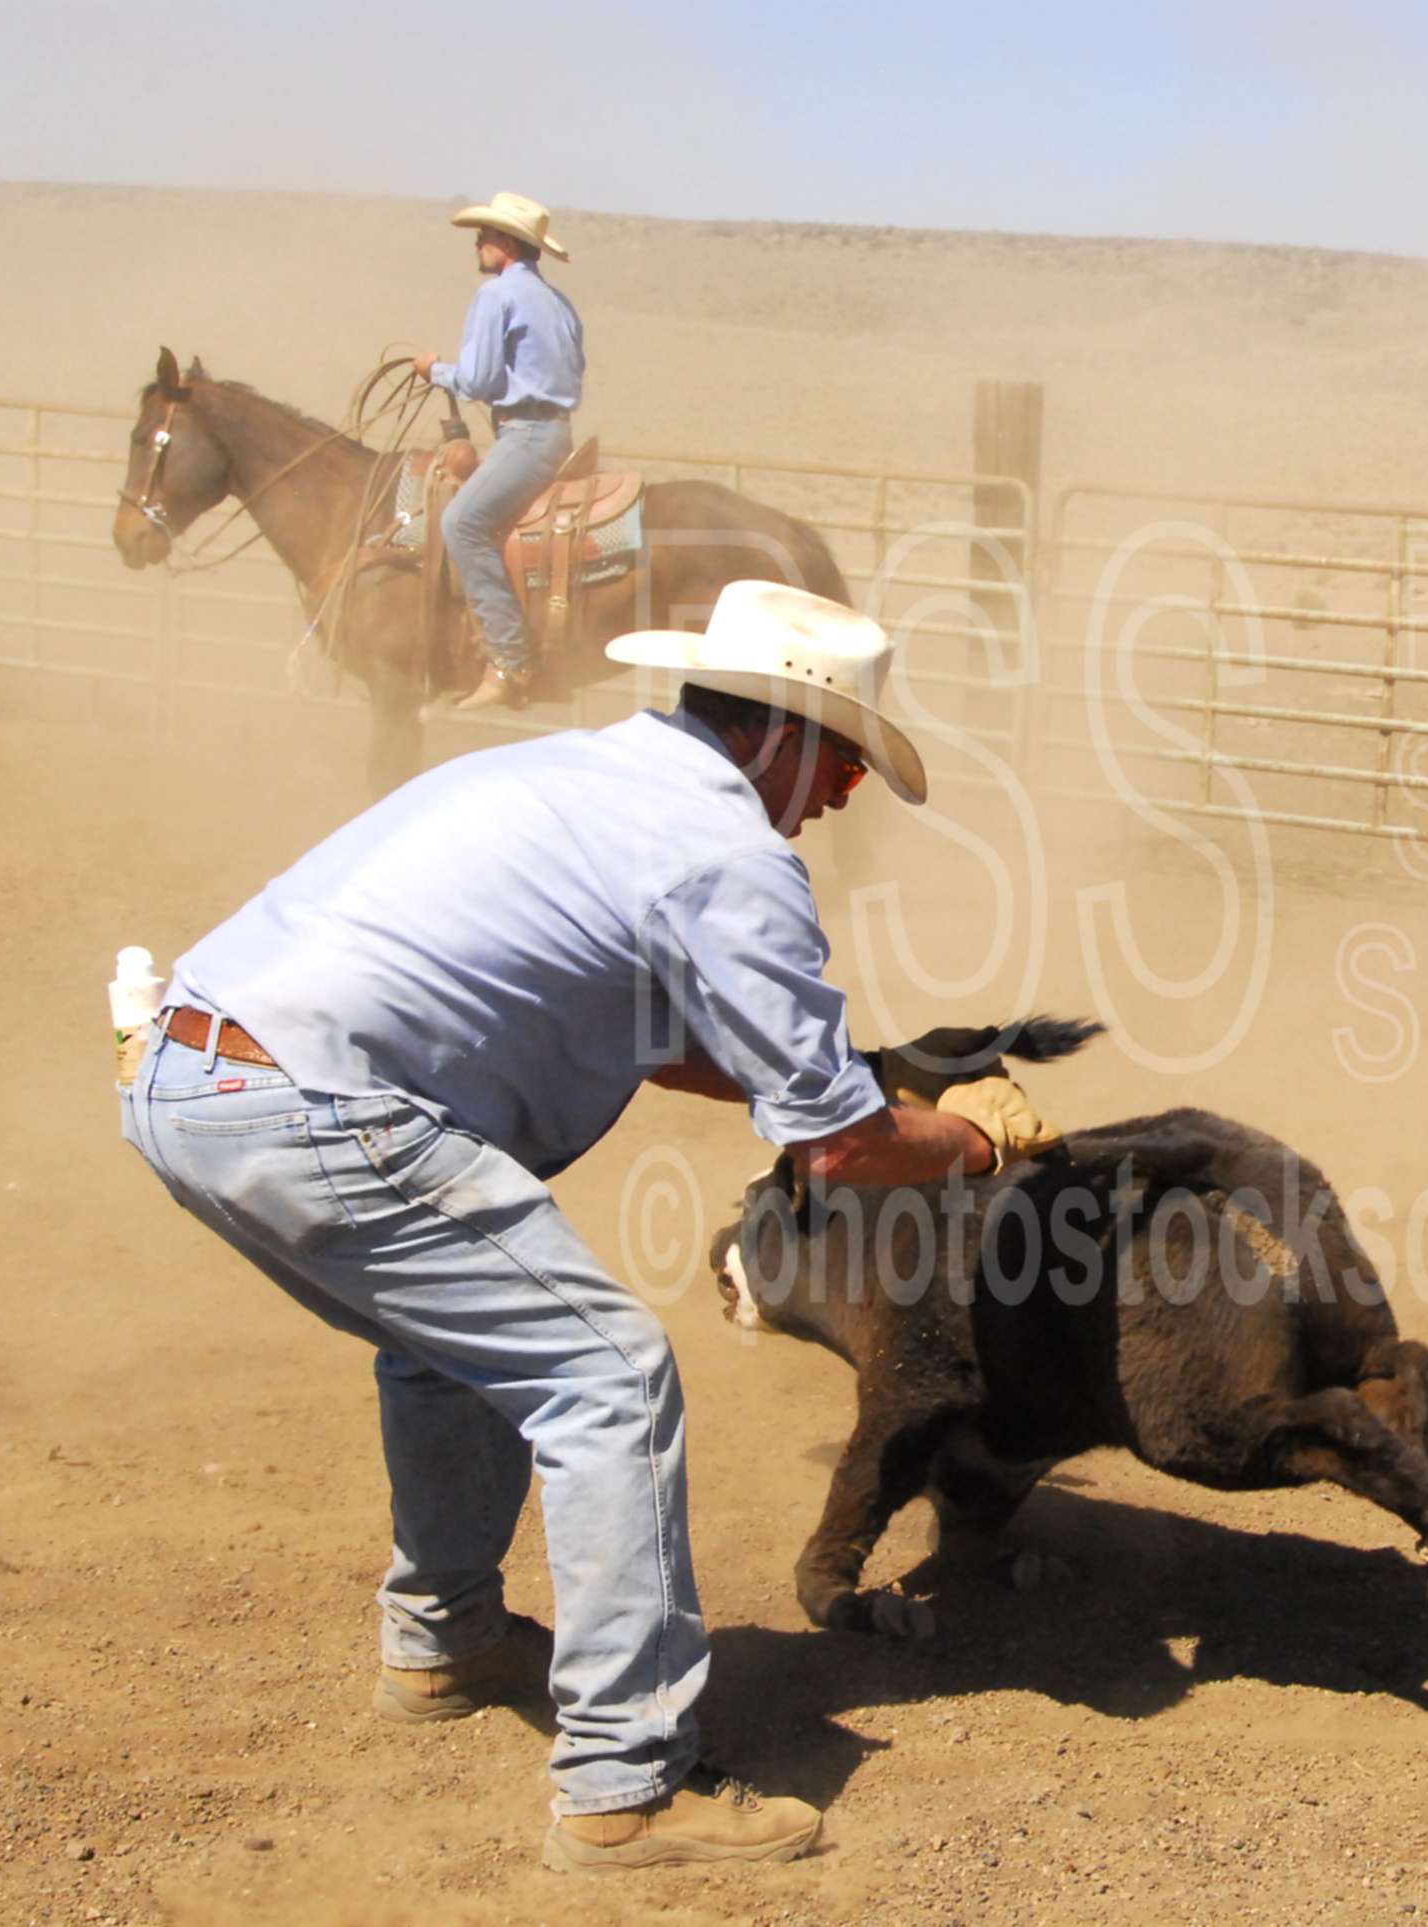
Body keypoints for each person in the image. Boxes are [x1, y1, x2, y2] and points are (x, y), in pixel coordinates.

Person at [119, 581, 1061, 1871]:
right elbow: (838, 1154)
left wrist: (876, 1078)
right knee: (607, 1374)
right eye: (842, 755)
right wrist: (970, 1137)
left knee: (458, 1342)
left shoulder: (586, 778)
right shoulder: (729, 854)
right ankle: (624, 1788)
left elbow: (671, 1041)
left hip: (191, 1070)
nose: (843, 790)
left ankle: (445, 1636)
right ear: (781, 736)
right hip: (316, 1101)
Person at [414, 191, 587, 712]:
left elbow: (480, 380)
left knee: (462, 524)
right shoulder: (559, 301)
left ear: (508, 243)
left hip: (527, 436)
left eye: (486, 234)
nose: (479, 241)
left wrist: (433, 371)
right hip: (557, 433)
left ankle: (511, 661)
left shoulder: (495, 297)